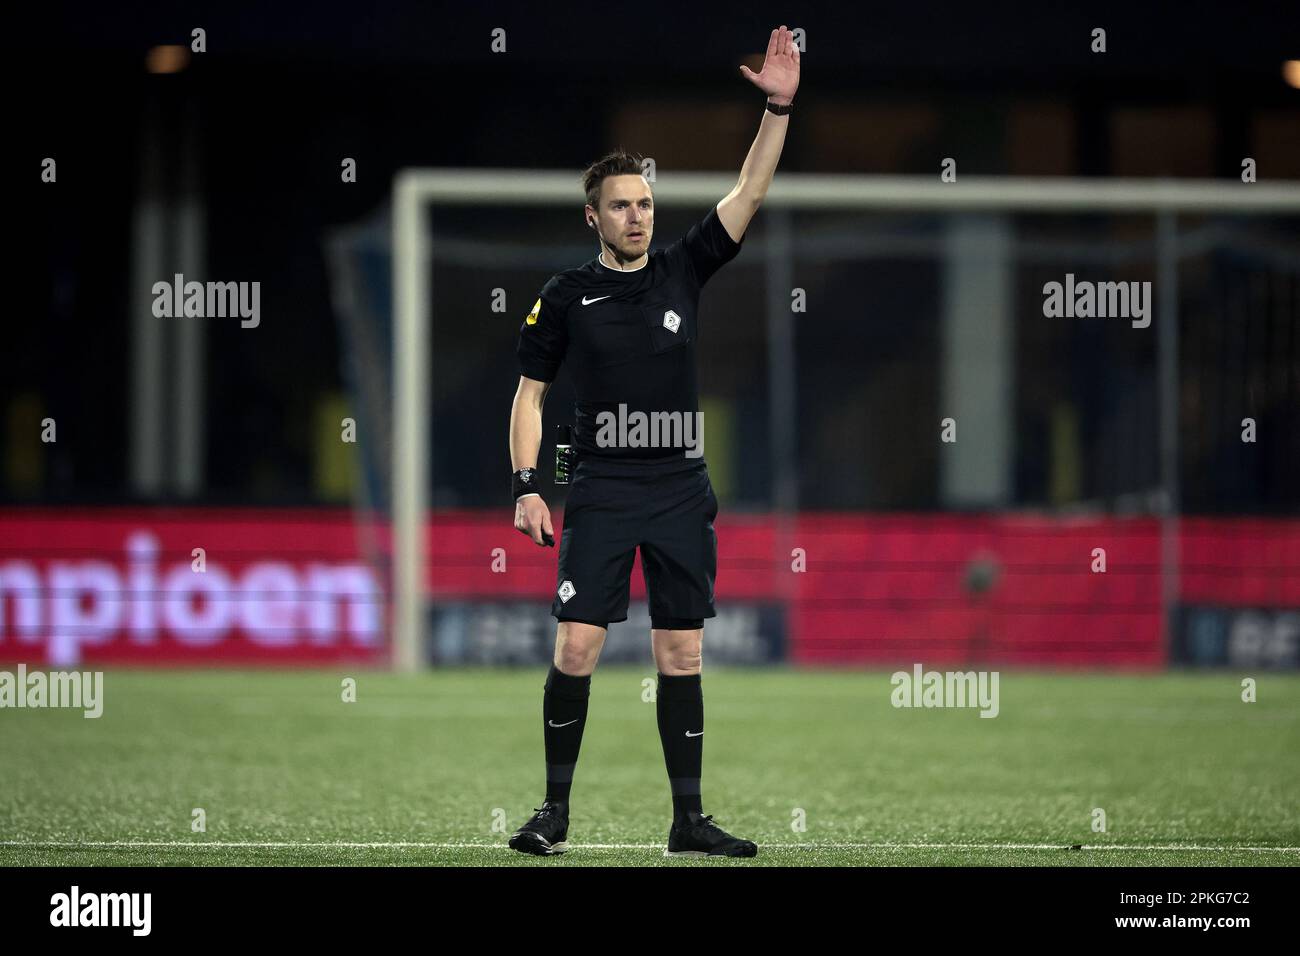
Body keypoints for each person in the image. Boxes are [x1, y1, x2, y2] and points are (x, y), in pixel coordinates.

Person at [506, 26, 799, 858]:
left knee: (680, 651)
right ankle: (553, 814)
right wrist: (527, 483)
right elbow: (528, 395)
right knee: (577, 644)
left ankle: (688, 822)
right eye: (621, 205)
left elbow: (751, 187)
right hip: (599, 487)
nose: (637, 216)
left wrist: (778, 106)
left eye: (644, 203)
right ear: (592, 215)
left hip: (678, 487)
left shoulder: (683, 268)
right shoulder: (565, 296)